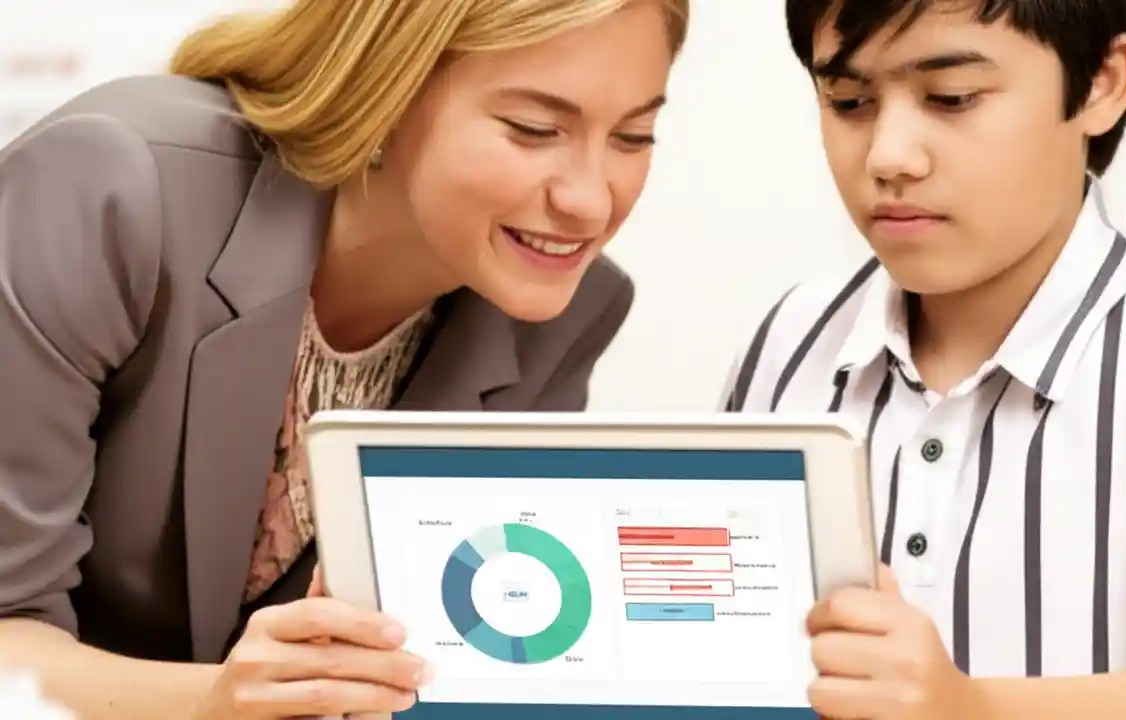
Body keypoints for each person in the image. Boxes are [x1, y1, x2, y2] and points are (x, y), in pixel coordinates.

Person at [0, 0, 688, 717]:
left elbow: (453, 664)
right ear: (387, 87)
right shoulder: (112, 186)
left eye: (634, 136)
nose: (589, 201)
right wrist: (215, 702)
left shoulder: (565, 315)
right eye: (534, 130)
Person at [723, 1, 1126, 718]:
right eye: (849, 101)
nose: (889, 155)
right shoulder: (792, 340)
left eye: (951, 98)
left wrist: (973, 708)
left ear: (1105, 82)